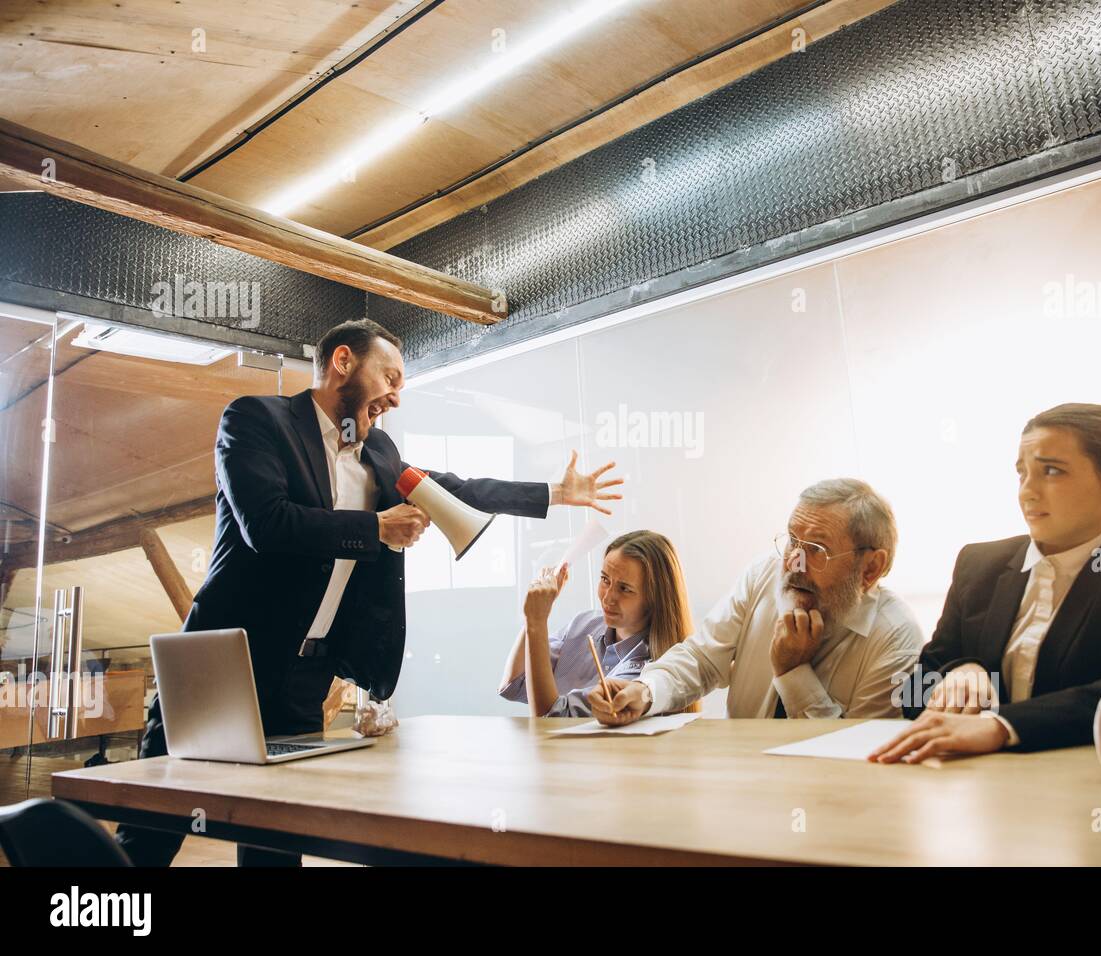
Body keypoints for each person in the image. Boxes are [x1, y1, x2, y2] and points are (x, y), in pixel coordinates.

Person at [116, 319, 622, 866]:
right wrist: (376, 529)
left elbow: (453, 487)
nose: (397, 396)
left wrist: (551, 492)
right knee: (157, 824)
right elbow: (267, 525)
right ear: (342, 363)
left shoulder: (378, 451)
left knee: (277, 838)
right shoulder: (257, 420)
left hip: (303, 676)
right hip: (222, 663)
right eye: (390, 376)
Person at [871, 403, 1101, 763]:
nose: (1026, 492)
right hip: (979, 792)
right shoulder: (978, 564)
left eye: (1051, 471)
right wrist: (961, 669)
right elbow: (912, 696)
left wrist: (1002, 725)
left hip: (1094, 787)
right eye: (1022, 474)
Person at [589, 478, 923, 723]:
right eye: (792, 540)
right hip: (741, 783)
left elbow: (856, 759)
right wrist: (645, 692)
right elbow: (703, 659)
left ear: (871, 568)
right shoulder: (765, 574)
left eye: (816, 550)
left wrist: (793, 672)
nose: (793, 562)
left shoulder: (896, 638)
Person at [498, 530, 693, 717]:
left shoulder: (648, 671)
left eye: (624, 588)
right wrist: (531, 619)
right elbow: (513, 685)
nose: (608, 598)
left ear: (654, 598)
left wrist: (536, 621)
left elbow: (551, 718)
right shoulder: (584, 624)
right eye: (605, 579)